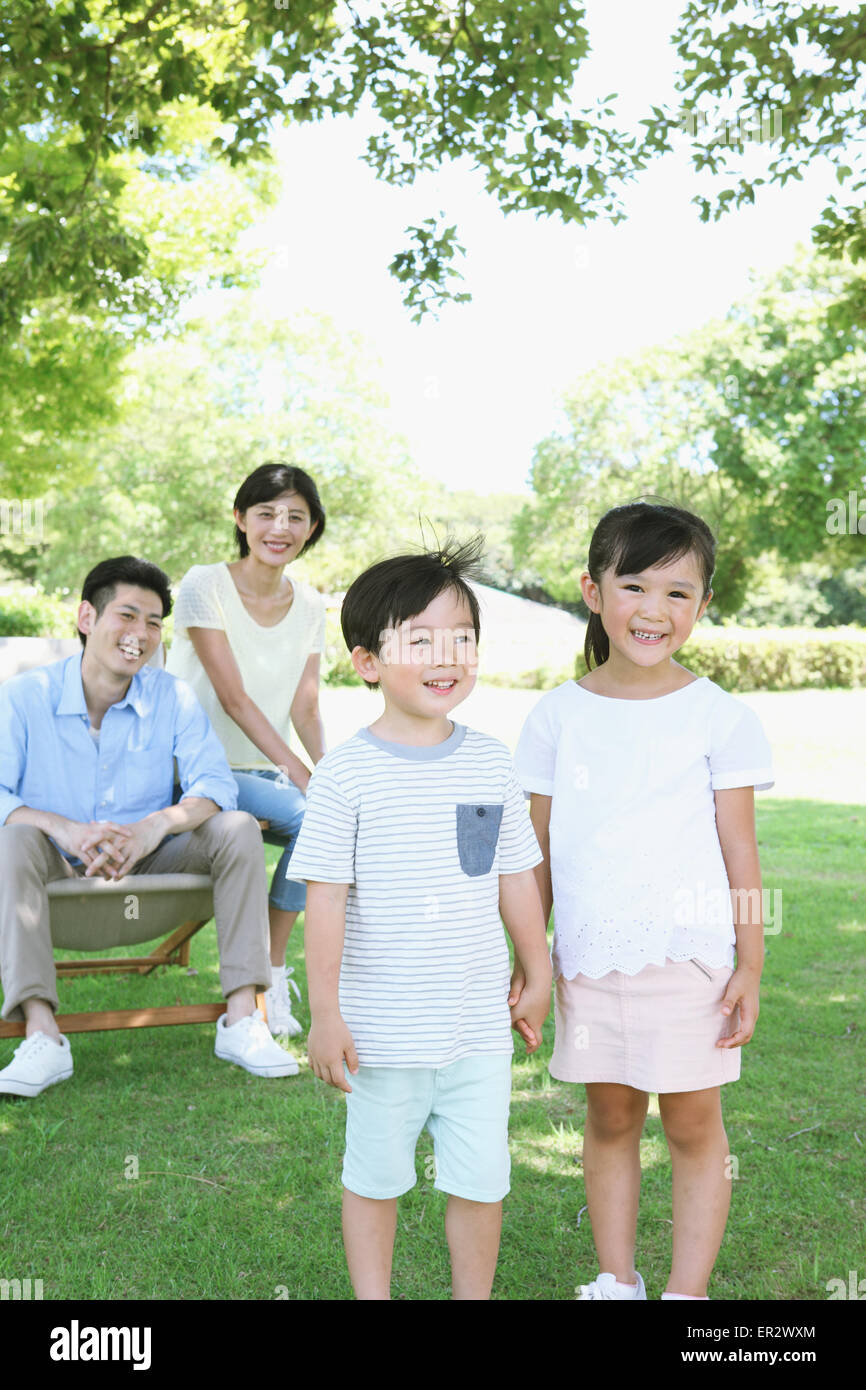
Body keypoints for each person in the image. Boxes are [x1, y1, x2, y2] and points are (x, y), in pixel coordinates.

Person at [513, 501, 774, 1301]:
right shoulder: (557, 715)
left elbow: (742, 853)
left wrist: (751, 963)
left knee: (695, 1126)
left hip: (691, 961)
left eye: (677, 593)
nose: (652, 610)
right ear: (593, 592)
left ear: (701, 607)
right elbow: (539, 856)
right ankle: (616, 1280)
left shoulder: (719, 716)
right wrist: (531, 966)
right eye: (634, 586)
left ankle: (686, 1295)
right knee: (612, 1119)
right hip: (590, 959)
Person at [287, 538, 552, 1300]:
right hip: (381, 1032)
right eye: (422, 639)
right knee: (374, 1177)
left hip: (475, 1028)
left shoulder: (491, 760)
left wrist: (535, 972)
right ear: (368, 661)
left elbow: (514, 877)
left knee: (481, 1180)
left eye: (463, 639)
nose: (448, 656)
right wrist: (327, 1016)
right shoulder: (346, 773)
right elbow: (325, 899)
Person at [0, 556, 300, 1098]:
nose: (141, 634)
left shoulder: (172, 696)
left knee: (235, 826)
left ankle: (241, 1021)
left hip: (150, 864)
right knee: (15, 833)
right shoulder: (24, 697)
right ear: (87, 617)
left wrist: (151, 828)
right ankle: (42, 1032)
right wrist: (65, 830)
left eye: (155, 622)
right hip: (51, 871)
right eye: (128, 615)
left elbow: (216, 784)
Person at [166, 463, 327, 1038]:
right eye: (265, 513)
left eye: (295, 516)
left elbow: (306, 705)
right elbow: (233, 699)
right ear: (240, 518)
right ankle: (267, 975)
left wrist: (326, 773)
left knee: (326, 817)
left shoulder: (310, 605)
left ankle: (269, 971)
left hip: (261, 772)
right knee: (315, 819)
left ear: (311, 528)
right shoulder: (205, 583)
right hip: (194, 770)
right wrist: (303, 778)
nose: (279, 526)